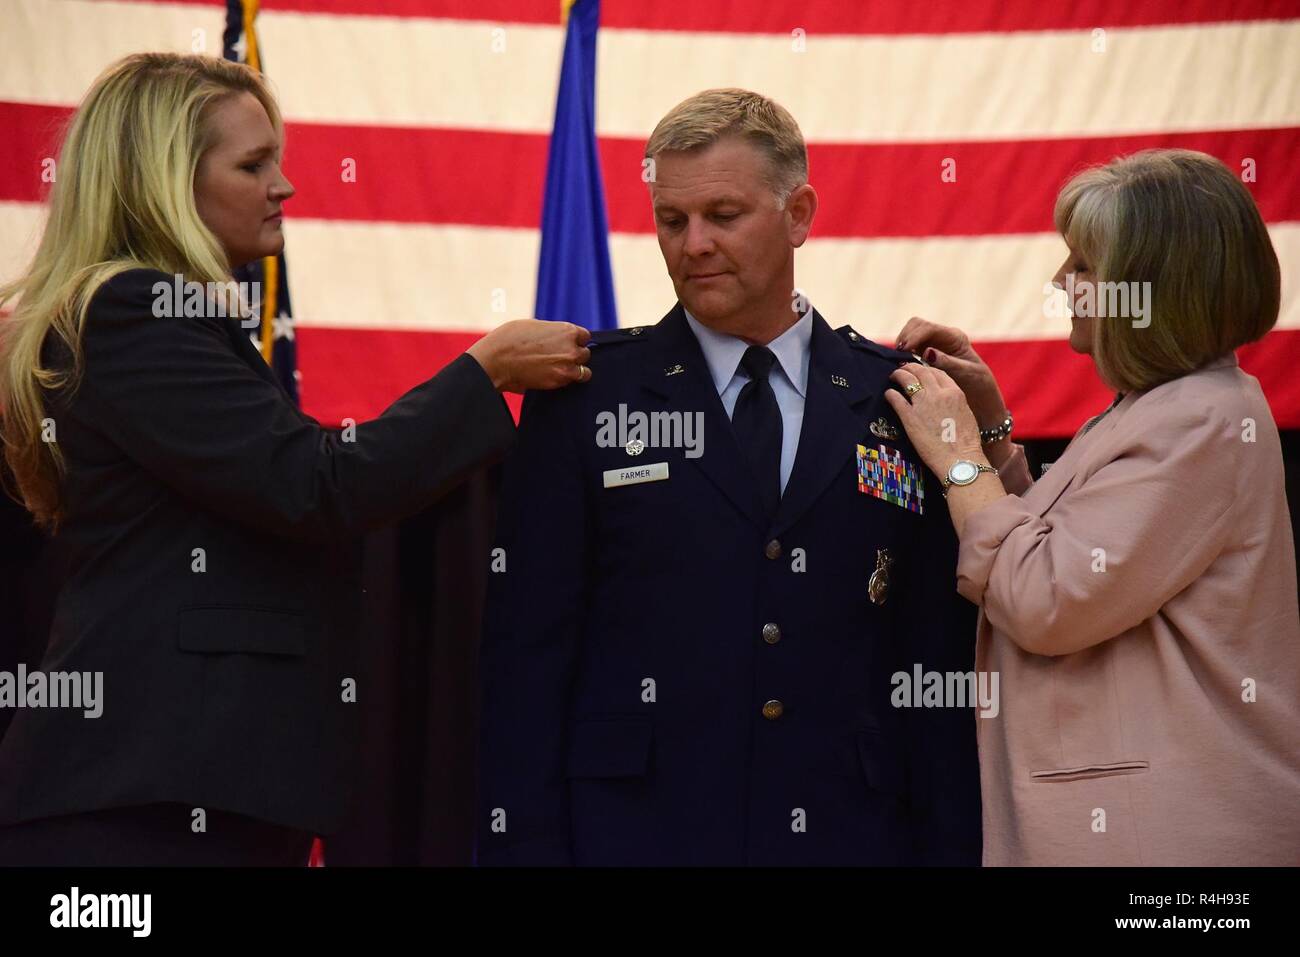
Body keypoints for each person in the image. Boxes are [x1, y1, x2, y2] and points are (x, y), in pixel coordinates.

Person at [0, 53, 590, 865]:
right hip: (141, 797)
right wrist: (483, 372)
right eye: (253, 164)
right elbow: (314, 483)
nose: (286, 186)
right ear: (166, 180)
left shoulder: (151, 315)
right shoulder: (132, 312)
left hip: (184, 786)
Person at [477, 88, 980, 866]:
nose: (694, 244)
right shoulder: (586, 398)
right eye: (672, 222)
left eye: (723, 214)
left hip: (849, 835)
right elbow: (526, 670)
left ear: (800, 214)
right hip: (638, 836)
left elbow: (932, 667)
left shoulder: (894, 401)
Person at [886, 148, 1300, 865]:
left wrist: (958, 459)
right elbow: (1064, 548)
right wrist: (990, 430)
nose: (1059, 282)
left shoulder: (1197, 420)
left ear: (1146, 293)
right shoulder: (1162, 409)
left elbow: (1046, 597)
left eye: (1081, 266)